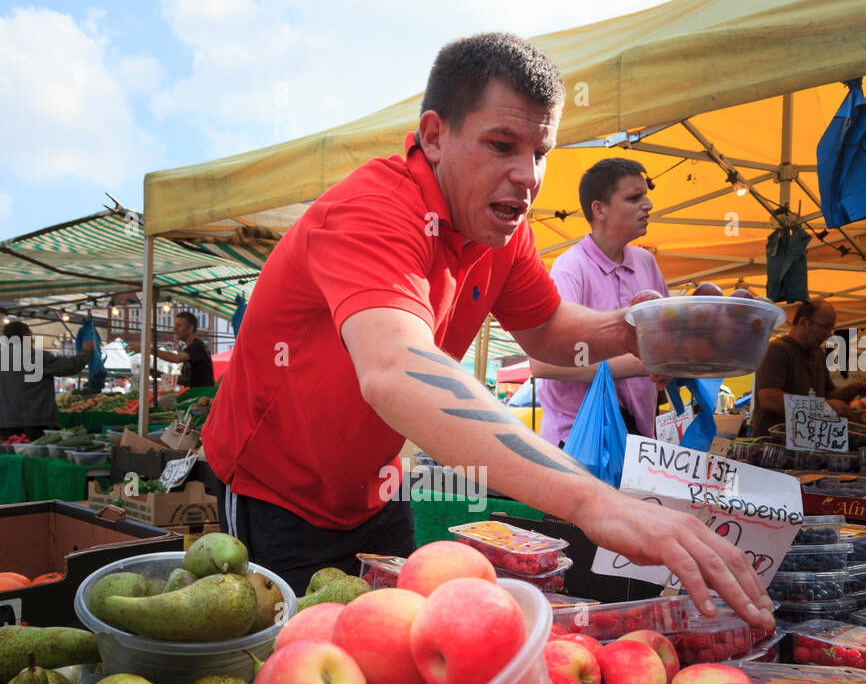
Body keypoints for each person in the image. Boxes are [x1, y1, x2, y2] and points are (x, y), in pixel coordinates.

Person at [202, 32, 773, 631]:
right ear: (433, 136)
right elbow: (396, 370)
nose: (527, 175)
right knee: (299, 665)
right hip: (278, 496)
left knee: (392, 655)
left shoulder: (501, 229)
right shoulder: (371, 211)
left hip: (376, 491)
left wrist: (641, 330)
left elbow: (548, 330)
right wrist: (594, 501)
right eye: (502, 145)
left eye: (541, 151)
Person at [531, 157, 667, 445]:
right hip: (580, 439)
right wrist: (643, 364)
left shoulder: (646, 263)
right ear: (600, 209)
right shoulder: (571, 267)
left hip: (637, 436)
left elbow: (667, 341)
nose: (648, 204)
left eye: (646, 193)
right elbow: (543, 364)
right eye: (634, 197)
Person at [752, 301, 866, 438]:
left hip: (808, 443)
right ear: (804, 322)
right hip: (774, 445)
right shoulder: (778, 349)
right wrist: (825, 407)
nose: (828, 334)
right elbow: (769, 399)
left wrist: (856, 386)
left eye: (830, 328)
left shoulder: (818, 353)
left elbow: (827, 395)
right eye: (824, 327)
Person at [0, 321, 93, 440]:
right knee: (32, 456)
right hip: (33, 422)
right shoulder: (32, 356)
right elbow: (69, 366)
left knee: (7, 456)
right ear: (25, 336)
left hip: (4, 423)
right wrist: (86, 351)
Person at [127, 311, 214, 388]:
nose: (175, 329)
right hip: (197, 393)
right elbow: (186, 378)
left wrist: (148, 349)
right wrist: (161, 375)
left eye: (179, 325)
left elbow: (176, 358)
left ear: (190, 328)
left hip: (202, 393)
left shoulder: (197, 346)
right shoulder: (190, 348)